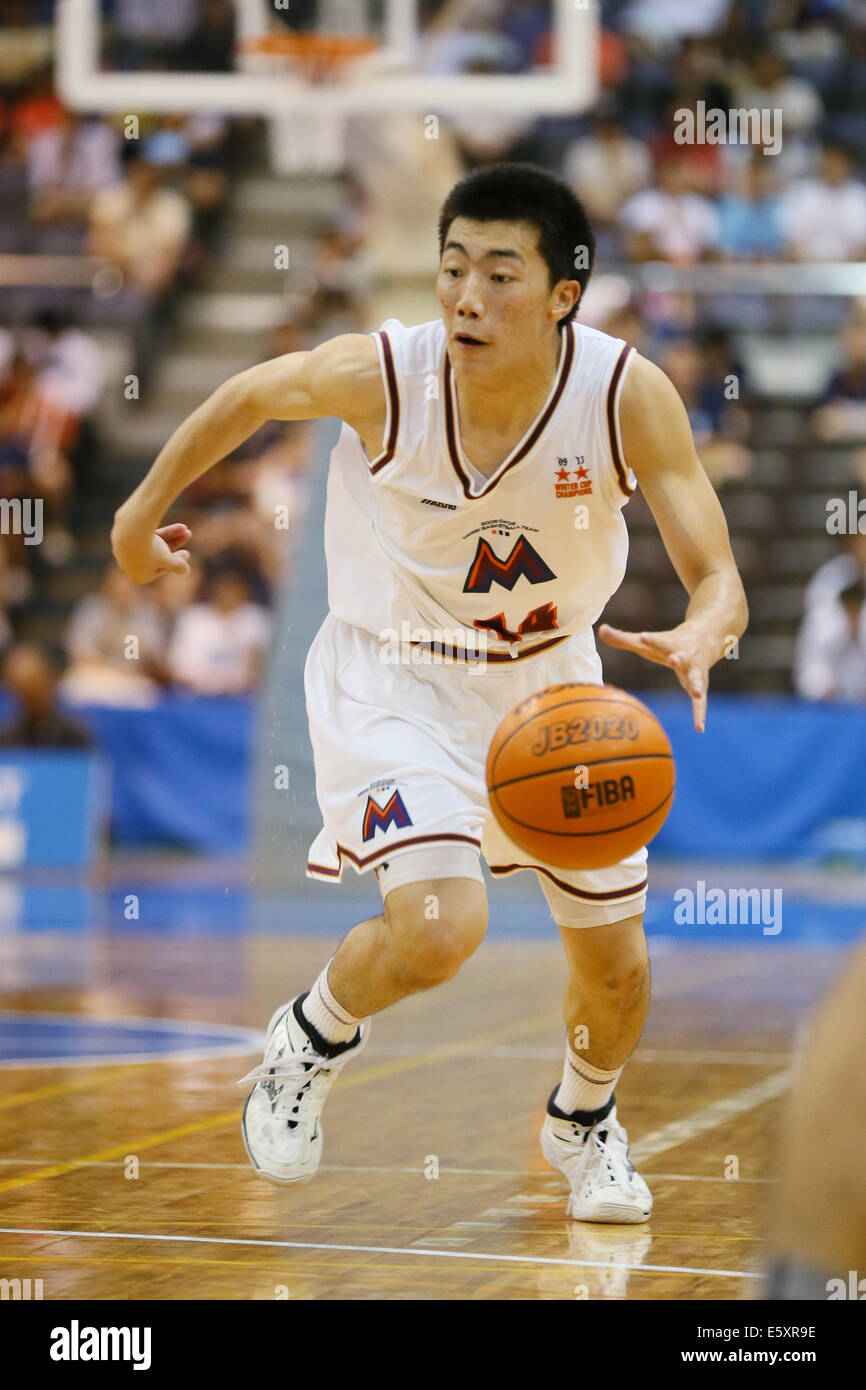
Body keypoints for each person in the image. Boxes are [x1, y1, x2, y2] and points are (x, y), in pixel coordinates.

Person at [111, 163, 747, 1223]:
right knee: (442, 930)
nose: (465, 296)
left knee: (617, 971)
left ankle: (580, 1123)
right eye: (453, 268)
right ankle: (308, 1037)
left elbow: (715, 570)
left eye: (500, 274)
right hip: (394, 676)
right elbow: (248, 394)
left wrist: (702, 629)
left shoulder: (622, 393)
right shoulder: (385, 376)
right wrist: (138, 516)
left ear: (562, 294)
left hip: (551, 689)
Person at [0, 643, 90, 748]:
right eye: (23, 688)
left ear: (49, 683)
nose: (30, 694)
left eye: (34, 685)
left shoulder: (74, 735)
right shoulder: (7, 738)